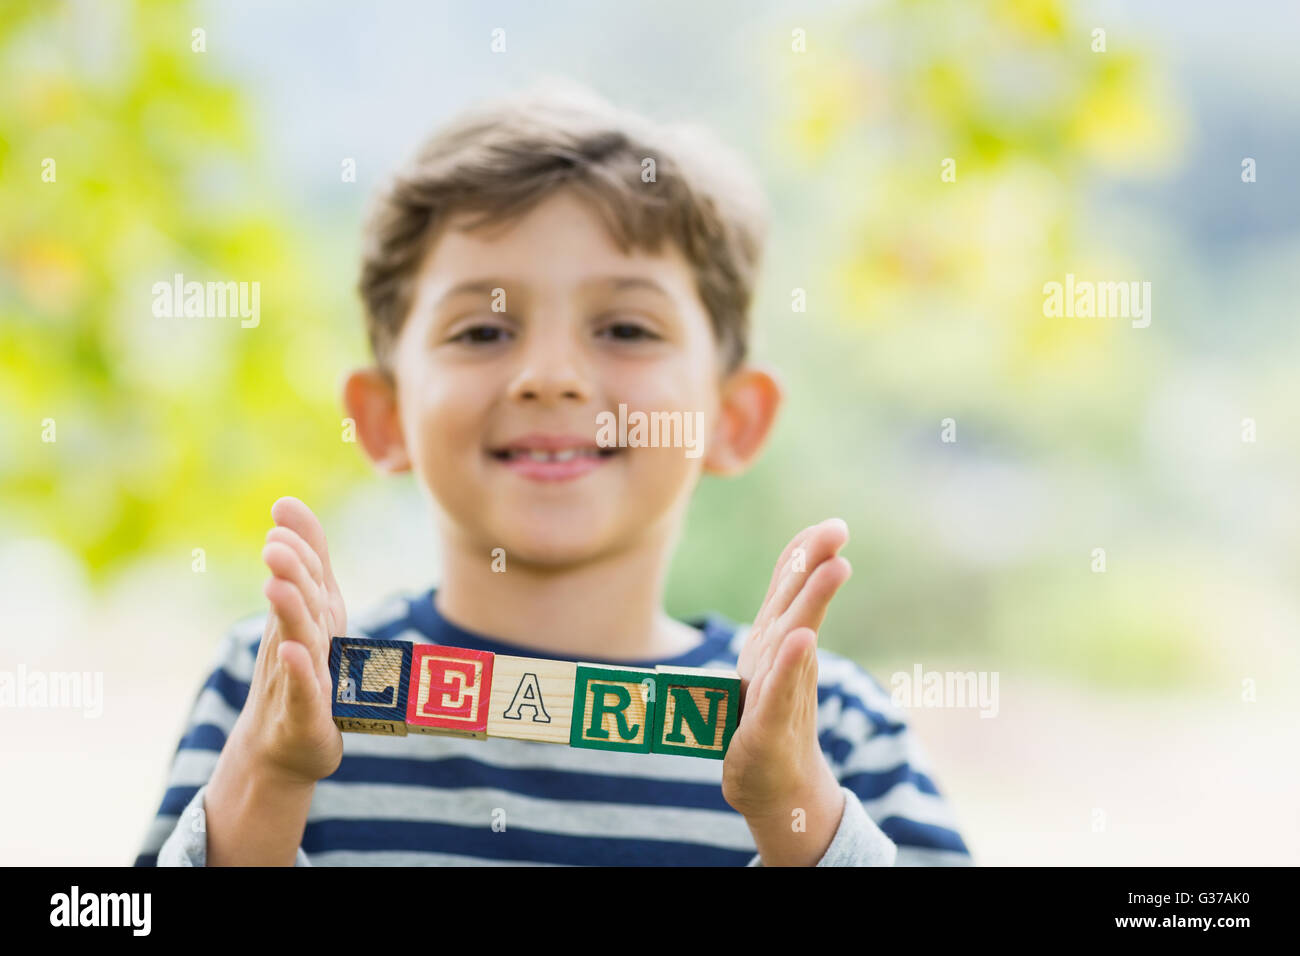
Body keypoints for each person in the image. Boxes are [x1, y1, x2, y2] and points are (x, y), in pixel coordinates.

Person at [135, 81, 973, 866]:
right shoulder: (282, 683)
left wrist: (798, 811)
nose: (551, 376)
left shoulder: (829, 728)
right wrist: (269, 782)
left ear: (732, 419)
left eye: (626, 328)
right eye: (482, 332)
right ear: (384, 417)